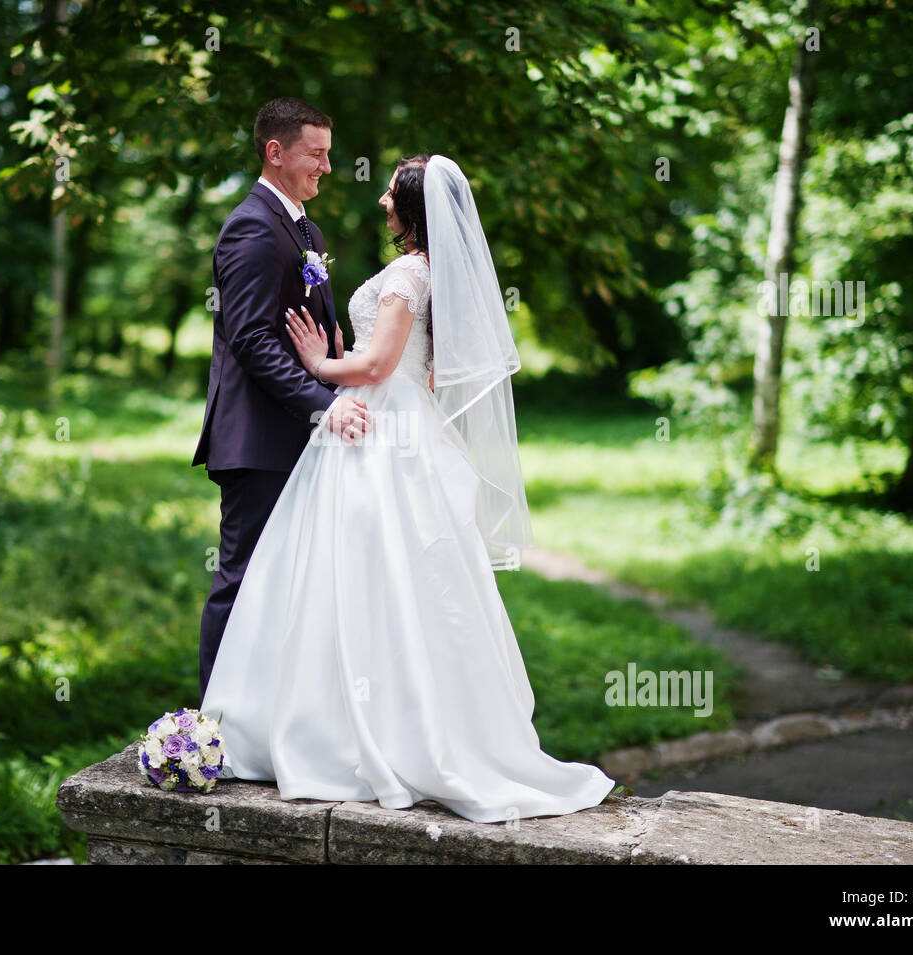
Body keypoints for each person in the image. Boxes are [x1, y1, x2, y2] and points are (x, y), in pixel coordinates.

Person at [198, 151, 616, 823]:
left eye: (391, 194)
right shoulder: (431, 273)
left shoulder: (406, 272)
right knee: (392, 575)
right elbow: (415, 367)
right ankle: (381, 719)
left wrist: (319, 361)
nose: (381, 202)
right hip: (393, 424)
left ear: (413, 208)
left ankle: (344, 730)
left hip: (377, 430)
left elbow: (381, 361)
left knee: (364, 568)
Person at [193, 98, 372, 704]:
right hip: (259, 437)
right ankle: (209, 733)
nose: (327, 167)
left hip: (296, 433)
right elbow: (248, 337)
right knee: (243, 579)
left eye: (328, 154)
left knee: (289, 583)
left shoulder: (304, 230)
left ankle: (267, 717)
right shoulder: (251, 225)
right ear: (276, 152)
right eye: (316, 155)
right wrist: (323, 403)